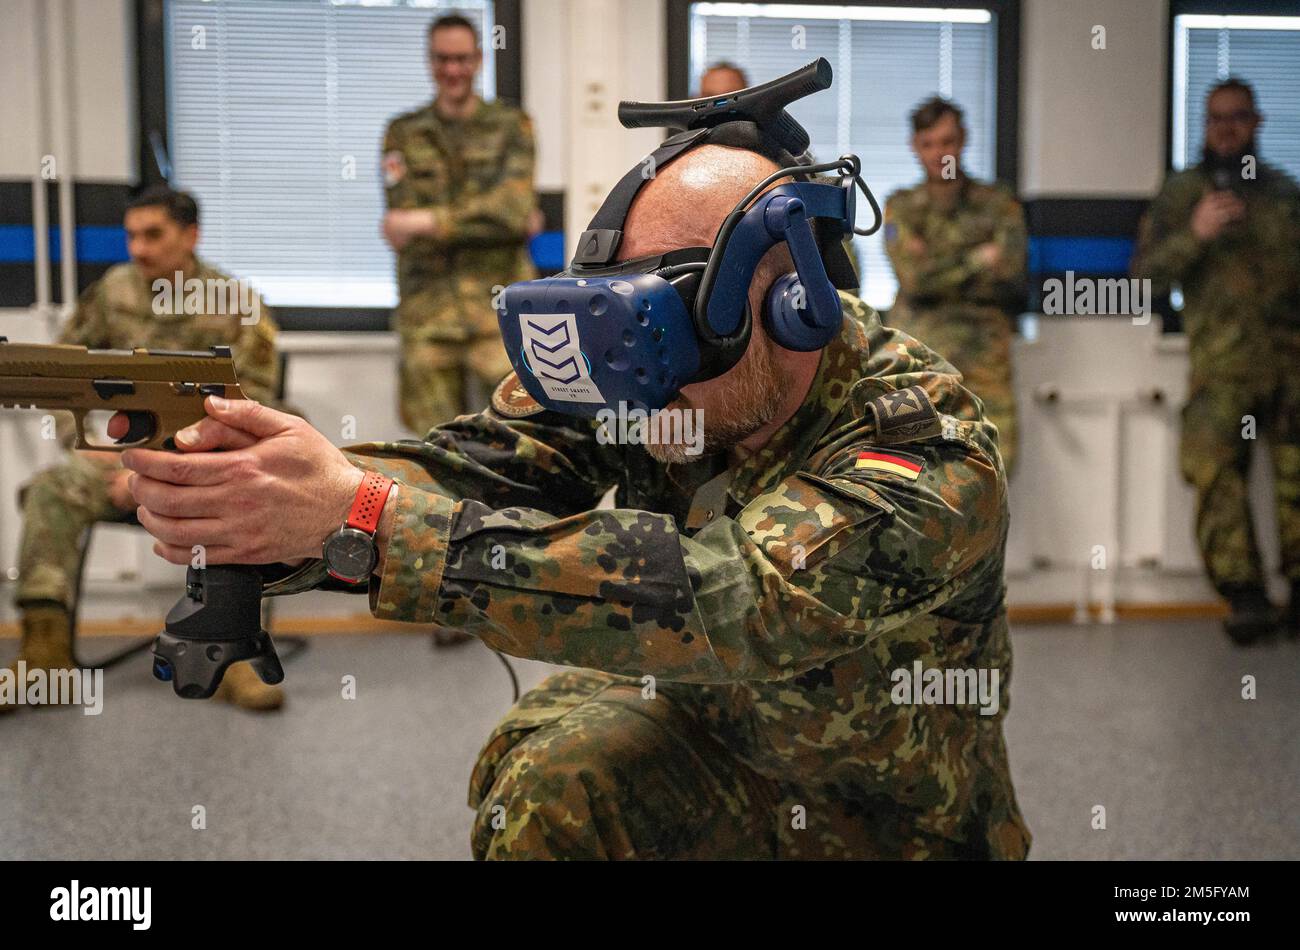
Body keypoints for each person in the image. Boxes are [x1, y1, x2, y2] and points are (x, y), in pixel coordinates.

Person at [120, 143, 1031, 860]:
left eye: (669, 340)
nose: (644, 382)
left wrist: (366, 518)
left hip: (885, 820)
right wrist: (283, 489)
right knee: (554, 776)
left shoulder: (926, 443)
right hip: (710, 737)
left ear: (791, 303)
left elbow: (738, 597)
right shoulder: (648, 374)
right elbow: (483, 469)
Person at [2, 186, 284, 713]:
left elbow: (256, 405)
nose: (138, 248)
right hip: (118, 458)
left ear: (190, 236)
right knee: (53, 490)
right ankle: (44, 655)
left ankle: (235, 656)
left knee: (243, 501)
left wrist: (166, 471)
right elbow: (65, 379)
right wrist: (105, 457)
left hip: (204, 466)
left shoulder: (235, 304)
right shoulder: (113, 293)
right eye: (131, 235)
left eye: (153, 235)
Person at [1132, 77, 1300, 644]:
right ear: (1204, 126)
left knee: (1297, 482)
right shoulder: (1182, 195)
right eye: (1215, 119)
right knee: (1213, 475)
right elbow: (1143, 282)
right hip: (1221, 370)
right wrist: (1196, 234)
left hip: (1291, 367)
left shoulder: (1283, 195)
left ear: (1256, 123)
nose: (1226, 128)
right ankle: (1245, 598)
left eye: (1238, 117)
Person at [380, 13, 537, 437]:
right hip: (427, 315)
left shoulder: (511, 126)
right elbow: (398, 222)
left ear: (479, 60)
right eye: (442, 58)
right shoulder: (403, 133)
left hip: (497, 316)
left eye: (462, 58)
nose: (452, 70)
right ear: (430, 61)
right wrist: (485, 219)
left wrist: (425, 220)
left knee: (515, 442)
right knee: (434, 448)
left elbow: (511, 211)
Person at [883, 96, 1026, 474]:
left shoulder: (998, 204)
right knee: (911, 473)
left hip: (985, 364)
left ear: (963, 141)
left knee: (992, 471)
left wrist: (936, 264)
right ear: (915, 147)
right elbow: (915, 279)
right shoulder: (902, 206)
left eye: (947, 142)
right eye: (928, 144)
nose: (938, 153)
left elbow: (1011, 269)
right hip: (920, 362)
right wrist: (979, 258)